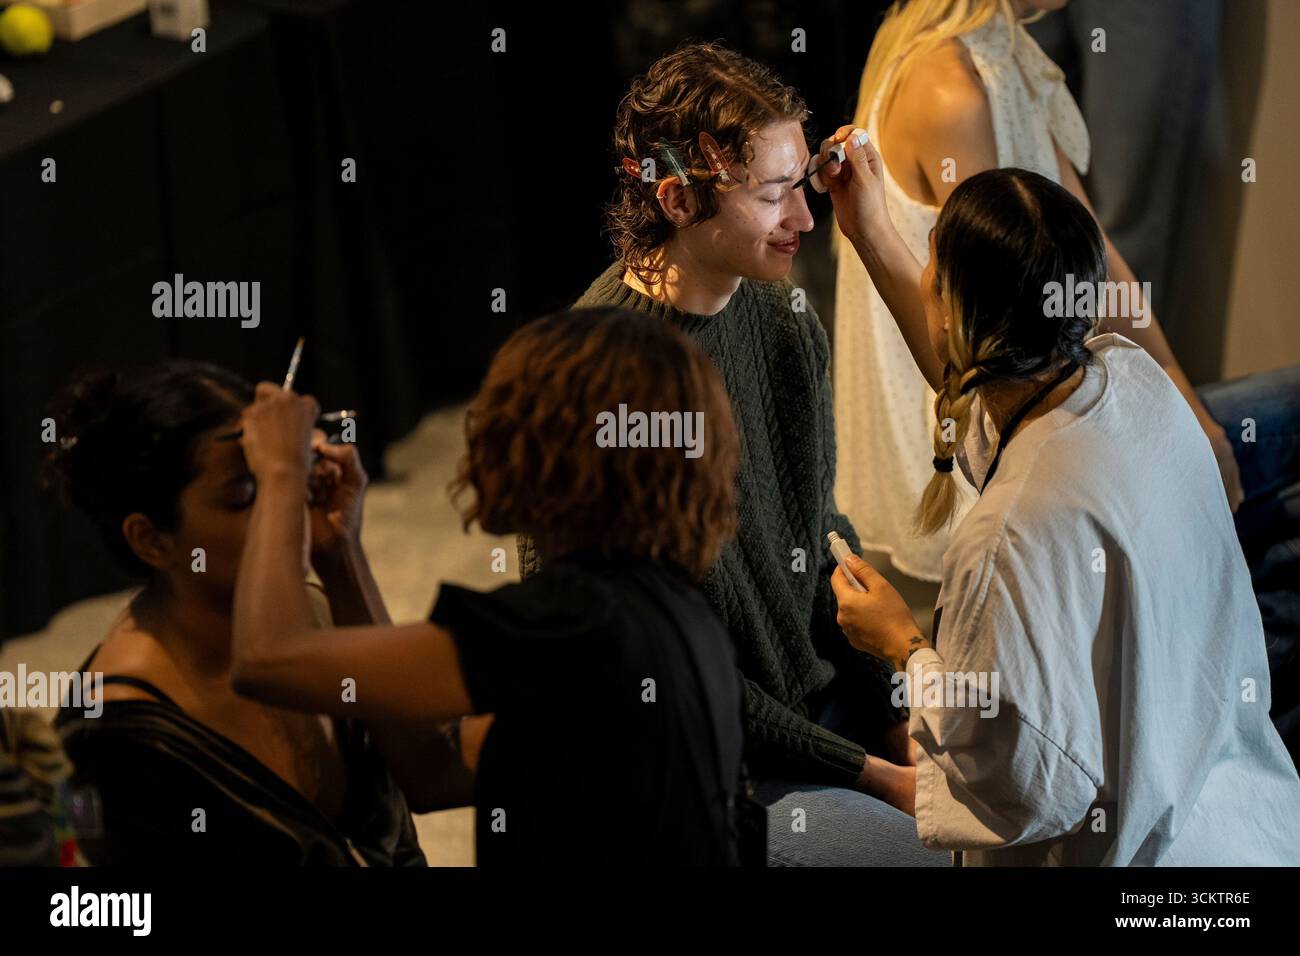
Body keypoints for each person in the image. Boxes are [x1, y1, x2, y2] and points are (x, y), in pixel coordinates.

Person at [515, 41, 946, 865]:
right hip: (706, 767)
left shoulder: (783, 323)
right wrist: (875, 777)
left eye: (803, 185)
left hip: (820, 721)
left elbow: (820, 537)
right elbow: (657, 671)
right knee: (926, 856)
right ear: (677, 199)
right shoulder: (600, 382)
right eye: (775, 196)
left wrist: (896, 714)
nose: (807, 221)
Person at [821, 127, 1300, 864]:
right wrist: (870, 226)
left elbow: (1026, 781)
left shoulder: (1005, 536)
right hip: (1251, 828)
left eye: (935, 265)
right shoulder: (1130, 382)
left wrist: (904, 647)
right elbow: (996, 415)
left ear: (954, 308)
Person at [227, 308, 749, 866]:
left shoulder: (567, 622)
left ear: (551, 453)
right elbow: (433, 771)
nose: (475, 437)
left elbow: (265, 659)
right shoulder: (668, 611)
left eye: (500, 416)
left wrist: (279, 472)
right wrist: (340, 554)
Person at [833, 0, 1241, 584]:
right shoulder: (955, 98)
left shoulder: (1003, 55)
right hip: (997, 441)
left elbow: (1093, 241)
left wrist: (1182, 394)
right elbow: (978, 341)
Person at [44, 361, 425, 866]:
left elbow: (426, 764)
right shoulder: (113, 740)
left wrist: (342, 556)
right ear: (152, 540)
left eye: (287, 478)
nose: (286, 508)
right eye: (248, 493)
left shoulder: (316, 609)